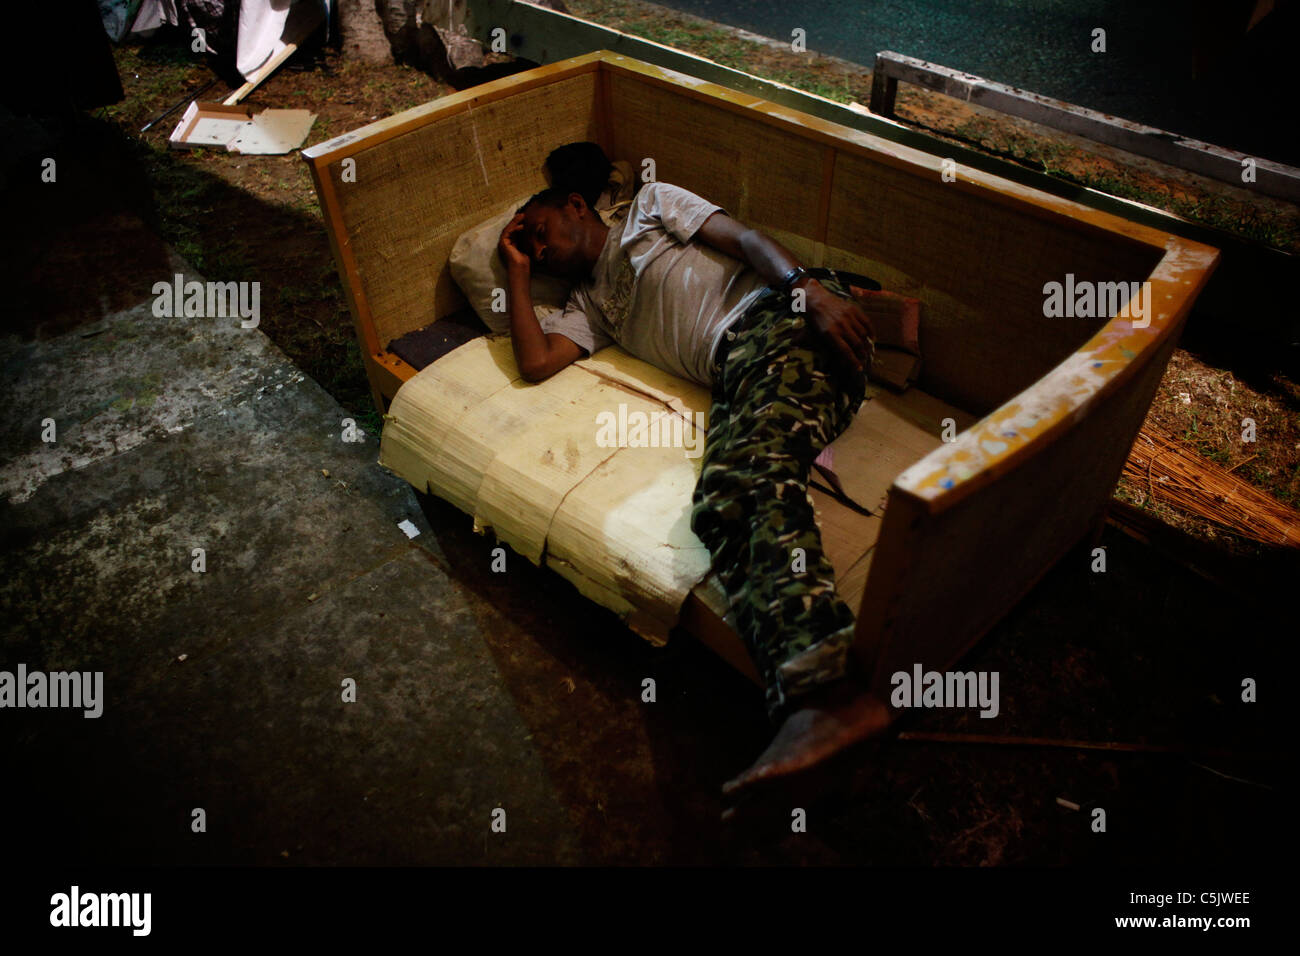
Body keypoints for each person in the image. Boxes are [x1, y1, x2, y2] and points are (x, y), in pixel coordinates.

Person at [497, 181, 892, 796]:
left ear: (576, 204)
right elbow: (536, 362)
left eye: (536, 227)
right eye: (526, 244)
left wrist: (806, 289)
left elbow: (748, 239)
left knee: (748, 475)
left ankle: (825, 695)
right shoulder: (587, 306)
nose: (535, 245)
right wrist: (516, 274)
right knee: (721, 499)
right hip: (740, 371)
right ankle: (816, 692)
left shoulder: (648, 209)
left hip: (782, 319)